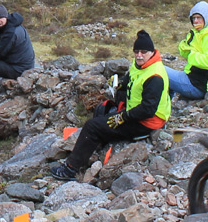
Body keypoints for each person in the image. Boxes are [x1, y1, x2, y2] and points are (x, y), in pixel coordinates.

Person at [50, 30, 171, 179]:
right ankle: (96, 144)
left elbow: (148, 109)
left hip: (148, 121)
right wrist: (119, 87)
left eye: (143, 52)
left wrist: (123, 117)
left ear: (151, 52)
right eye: (136, 51)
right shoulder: (141, 65)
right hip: (136, 114)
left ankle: (70, 169)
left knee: (91, 126)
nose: (139, 55)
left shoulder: (155, 75)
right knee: (103, 110)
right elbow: (129, 81)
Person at [172, 1, 208, 101]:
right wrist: (187, 48)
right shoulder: (200, 32)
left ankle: (158, 109)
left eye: (199, 17)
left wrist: (192, 56)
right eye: (193, 18)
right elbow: (184, 52)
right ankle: (165, 105)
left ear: (207, 17)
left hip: (199, 86)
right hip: (195, 81)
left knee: (160, 71)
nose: (196, 21)